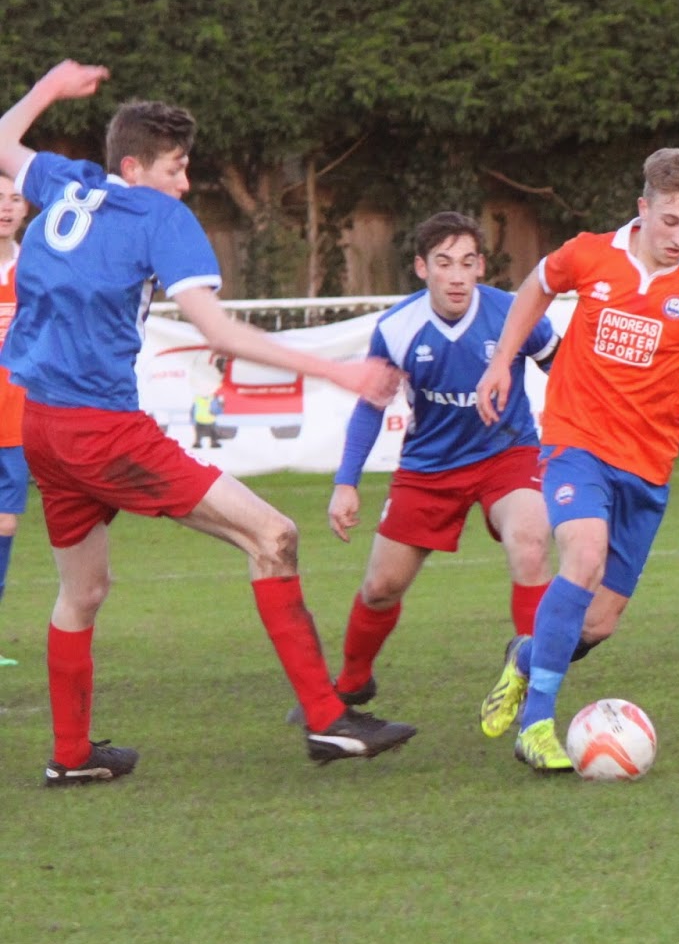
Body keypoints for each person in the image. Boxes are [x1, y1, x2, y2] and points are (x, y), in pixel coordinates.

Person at [0, 59, 417, 786]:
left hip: (42, 427)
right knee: (274, 535)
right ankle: (328, 718)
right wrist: (341, 371)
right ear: (137, 165)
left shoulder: (70, 182)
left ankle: (71, 758)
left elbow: (2, 137)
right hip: (103, 433)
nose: (185, 184)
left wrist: (47, 89)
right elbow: (220, 334)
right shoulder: (158, 216)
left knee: (82, 592)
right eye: (178, 167)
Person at [474, 147, 679, 771]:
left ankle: (525, 659)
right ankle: (537, 726)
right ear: (643, 209)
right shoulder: (589, 254)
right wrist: (502, 361)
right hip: (576, 442)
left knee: (599, 623)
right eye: (669, 222)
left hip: (648, 467)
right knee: (583, 554)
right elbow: (536, 286)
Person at [318, 211, 560, 715]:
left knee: (531, 543)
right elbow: (371, 406)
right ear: (421, 268)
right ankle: (352, 680)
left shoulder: (515, 313)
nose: (456, 275)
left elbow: (562, 367)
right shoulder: (398, 328)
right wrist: (346, 483)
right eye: (444, 263)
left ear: (480, 268)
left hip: (508, 454)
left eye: (467, 263)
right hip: (429, 468)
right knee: (381, 587)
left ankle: (532, 690)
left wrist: (576, 437)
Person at [0, 172, 27, 666]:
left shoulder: (38, 266)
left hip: (18, 424)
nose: (5, 206)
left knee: (4, 524)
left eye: (15, 197)